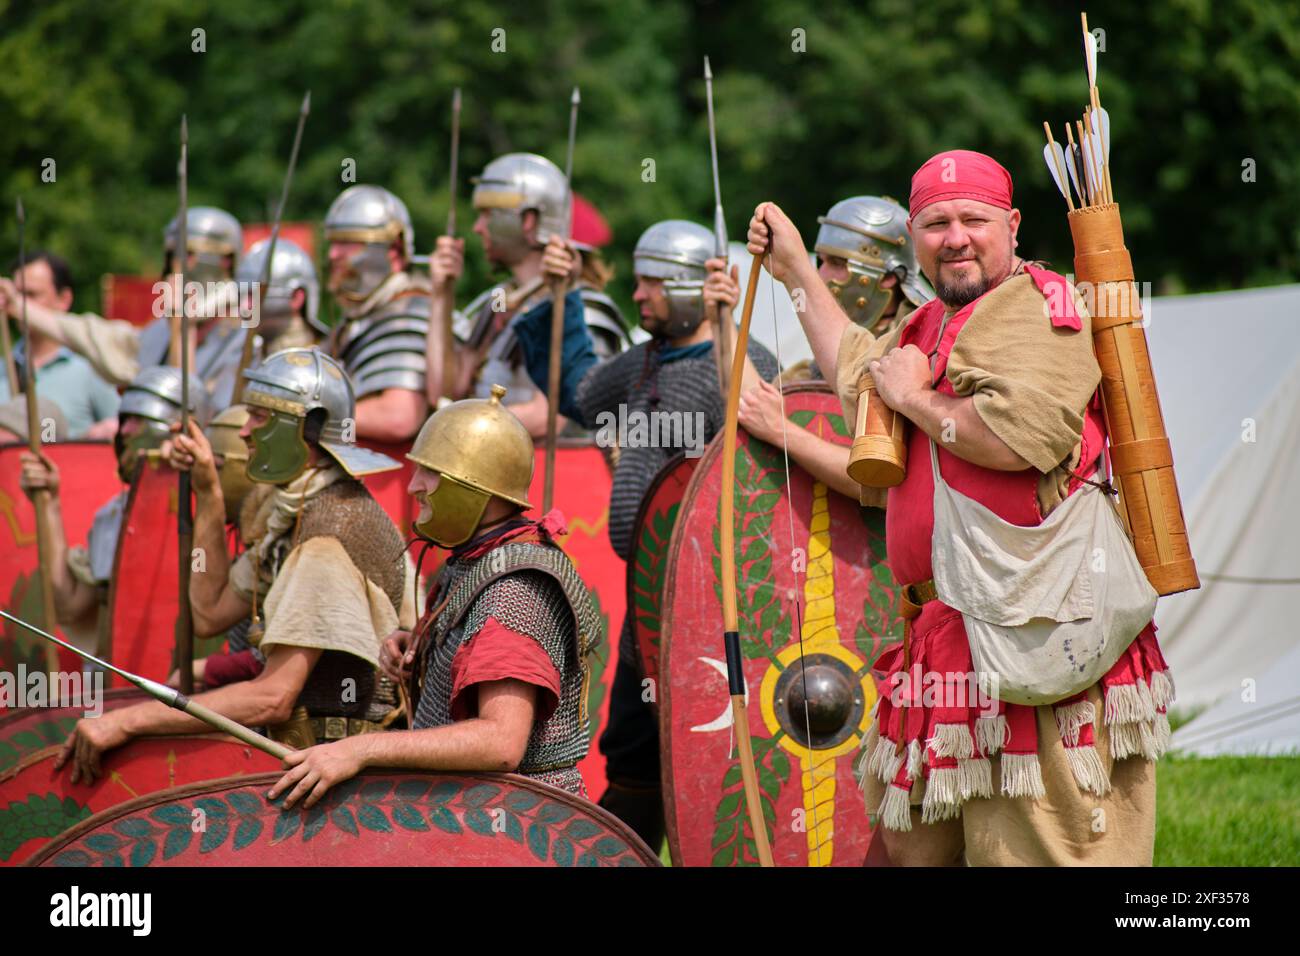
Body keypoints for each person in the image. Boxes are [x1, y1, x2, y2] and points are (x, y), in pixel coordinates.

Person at [748, 149, 1171, 866]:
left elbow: (1021, 437)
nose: (956, 237)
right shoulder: (925, 329)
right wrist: (794, 272)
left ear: (1010, 224)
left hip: (1033, 628)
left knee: (1042, 854)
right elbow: (857, 370)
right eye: (936, 222)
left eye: (973, 219)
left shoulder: (1044, 307)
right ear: (913, 236)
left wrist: (912, 396)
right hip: (943, 640)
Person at [507, 218, 780, 847]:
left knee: (714, 752)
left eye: (652, 284)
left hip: (716, 602)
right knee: (633, 749)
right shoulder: (644, 365)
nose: (637, 297)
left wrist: (725, 329)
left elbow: (753, 468)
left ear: (692, 288)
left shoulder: (740, 363)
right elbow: (578, 389)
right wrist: (564, 296)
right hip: (648, 606)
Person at [55, 349, 410, 782]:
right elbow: (211, 612)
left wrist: (128, 720)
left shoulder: (330, 531)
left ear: (302, 427)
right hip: (305, 758)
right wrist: (208, 492)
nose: (245, 431)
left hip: (341, 774)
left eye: (259, 418)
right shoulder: (294, 511)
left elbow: (273, 697)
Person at [268, 385, 602, 808]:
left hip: (517, 825)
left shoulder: (515, 590)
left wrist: (359, 749)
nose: (413, 487)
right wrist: (421, 647)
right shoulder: (476, 563)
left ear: (470, 486)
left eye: (431, 473)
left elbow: (500, 742)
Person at [739, 195, 934, 501]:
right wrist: (721, 318)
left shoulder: (912, 351)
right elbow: (752, 407)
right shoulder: (818, 361)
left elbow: (880, 481)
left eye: (837, 264)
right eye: (820, 261)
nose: (822, 275)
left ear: (885, 278)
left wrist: (783, 432)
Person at [426, 152, 630, 435]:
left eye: (487, 214)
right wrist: (441, 294)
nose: (478, 227)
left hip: (557, 471)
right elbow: (444, 391)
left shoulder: (584, 308)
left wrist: (464, 426)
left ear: (529, 220)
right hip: (485, 462)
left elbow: (550, 414)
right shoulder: (497, 300)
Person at [16, 366, 206, 650]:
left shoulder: (208, 509)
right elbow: (70, 606)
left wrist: (178, 482)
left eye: (140, 420)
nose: (125, 431)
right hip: (118, 682)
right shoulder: (113, 517)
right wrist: (48, 504)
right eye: (124, 420)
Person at [0, 208, 247, 412]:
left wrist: (183, 330)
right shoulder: (159, 331)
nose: (177, 264)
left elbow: (195, 414)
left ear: (225, 260)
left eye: (189, 254)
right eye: (172, 254)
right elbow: (91, 335)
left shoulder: (244, 337)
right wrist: (16, 305)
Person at [323, 185, 431, 442]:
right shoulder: (365, 315)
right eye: (333, 243)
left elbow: (399, 417)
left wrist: (313, 419)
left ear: (393, 249)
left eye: (348, 243)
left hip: (396, 479)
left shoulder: (409, 312)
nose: (333, 254)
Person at [0, 251, 120, 438]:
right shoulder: (2, 368)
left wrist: (89, 439)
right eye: (17, 295)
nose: (19, 305)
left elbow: (123, 434)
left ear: (64, 299)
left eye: (31, 294)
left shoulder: (91, 369)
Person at [235, 237, 323, 357]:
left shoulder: (316, 366)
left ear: (296, 298)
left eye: (255, 295)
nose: (244, 307)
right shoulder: (250, 357)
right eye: (242, 295)